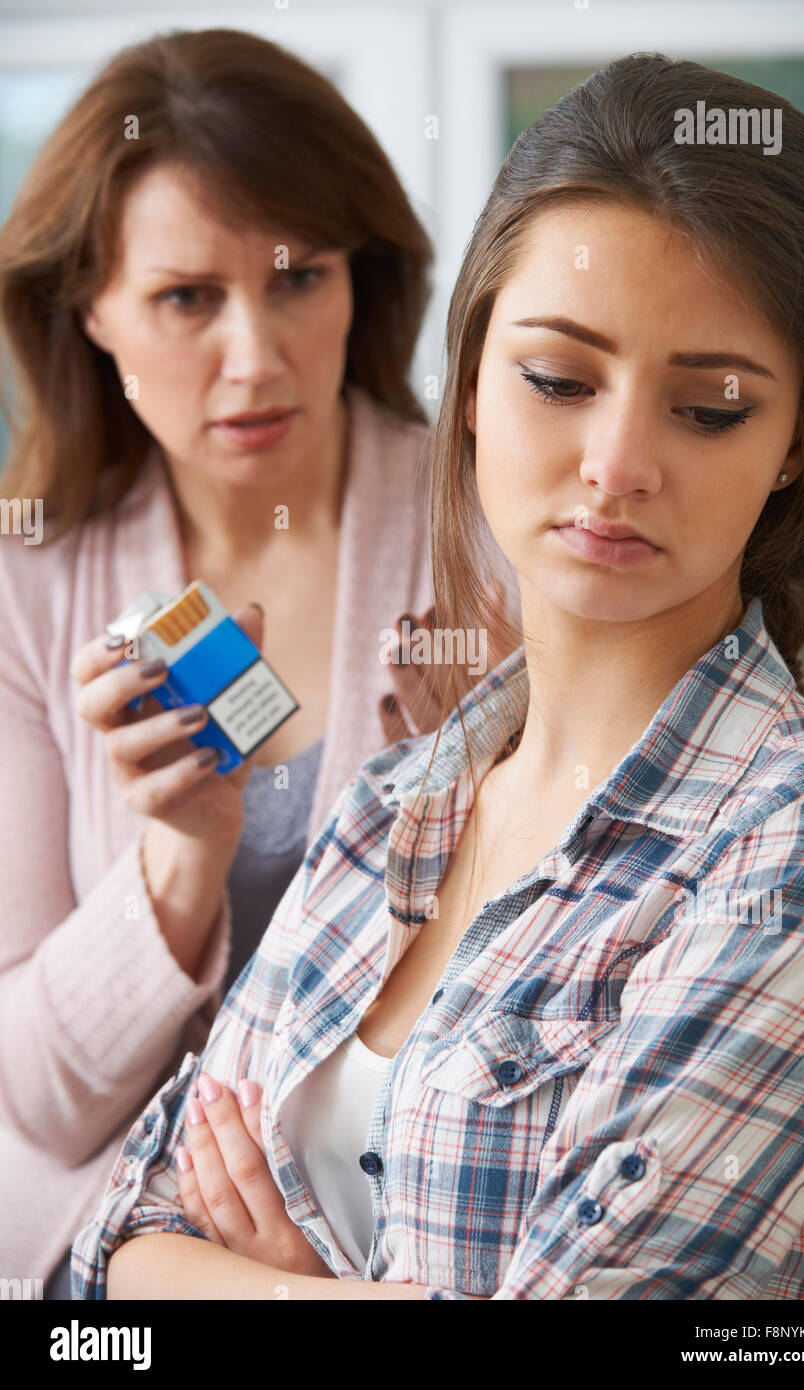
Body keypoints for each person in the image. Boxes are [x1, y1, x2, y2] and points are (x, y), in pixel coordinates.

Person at [72, 51, 804, 1300]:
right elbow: (111, 1252)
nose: (612, 465)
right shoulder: (394, 802)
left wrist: (263, 1280)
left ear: (789, 451)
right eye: (556, 380)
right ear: (475, 388)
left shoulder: (803, 843)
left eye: (708, 407)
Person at [0, 29, 516, 1297]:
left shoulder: (499, 537)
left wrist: (487, 793)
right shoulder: (28, 587)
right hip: (109, 1263)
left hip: (412, 1232)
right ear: (93, 312)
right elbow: (36, 1101)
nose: (255, 356)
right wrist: (180, 857)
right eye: (188, 298)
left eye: (299, 280)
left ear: (362, 279)